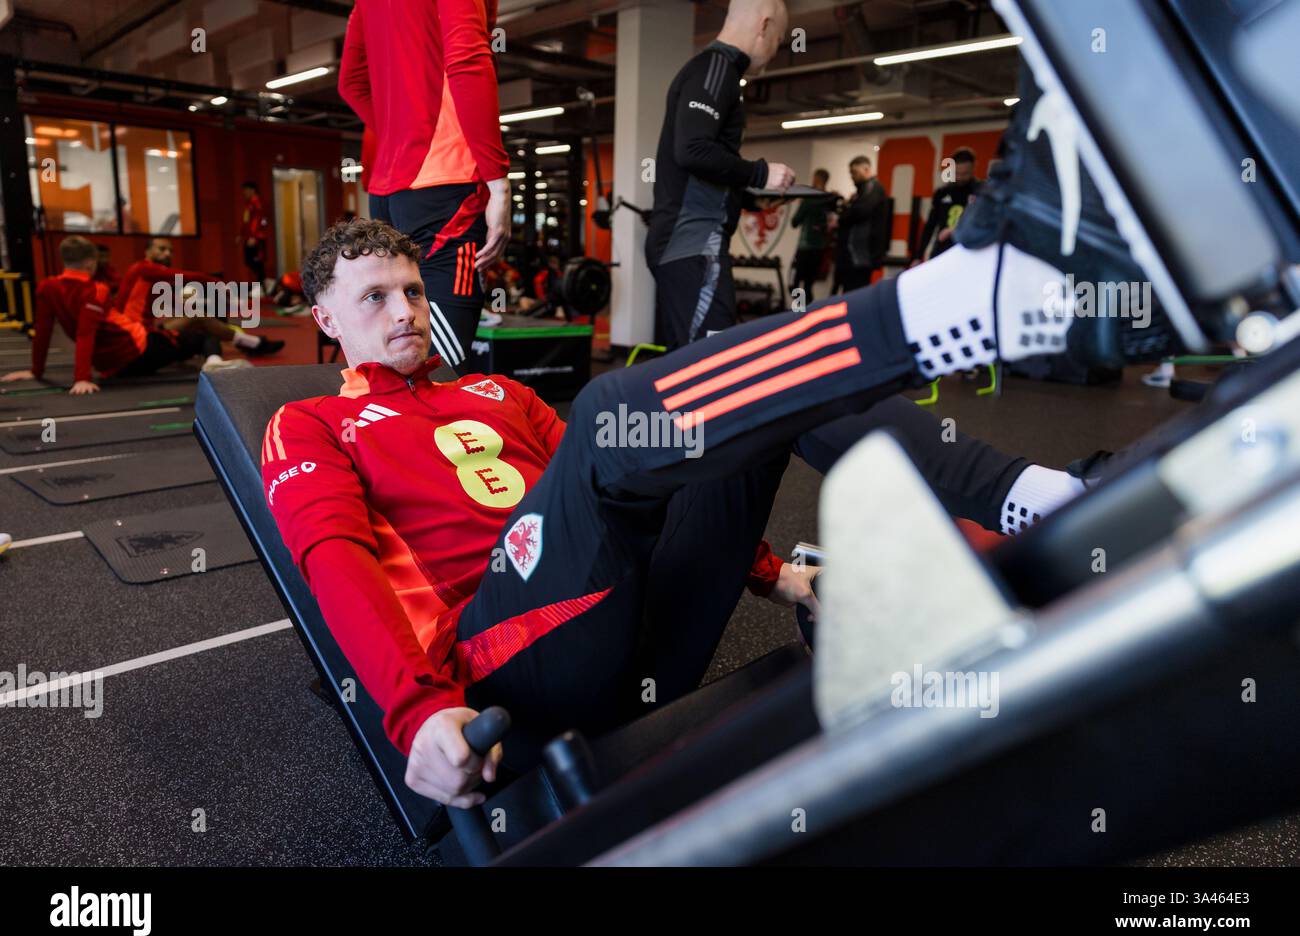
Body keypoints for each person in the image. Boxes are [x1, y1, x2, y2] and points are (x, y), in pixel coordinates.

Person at [262, 191, 1141, 804]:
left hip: (638, 628)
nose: (405, 311)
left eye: (412, 290)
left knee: (750, 409)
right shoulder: (310, 423)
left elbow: (649, 486)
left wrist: (772, 578)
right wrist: (417, 714)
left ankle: (1031, 494)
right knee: (613, 413)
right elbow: (334, 561)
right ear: (328, 320)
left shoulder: (497, 394)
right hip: (515, 668)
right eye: (373, 298)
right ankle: (924, 309)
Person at [339, 0, 511, 371]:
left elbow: (350, 82)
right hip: (445, 181)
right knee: (438, 364)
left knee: (395, 349)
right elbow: (467, 58)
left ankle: (376, 426)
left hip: (388, 189)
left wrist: (398, 134)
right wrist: (499, 181)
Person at [645, 0, 797, 350]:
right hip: (692, 241)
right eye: (779, 36)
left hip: (691, 240)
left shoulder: (719, 72)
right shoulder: (716, 68)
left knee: (688, 362)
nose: (776, 48)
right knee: (714, 362)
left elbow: (701, 167)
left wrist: (748, 197)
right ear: (764, 25)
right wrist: (759, 173)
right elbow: (692, 150)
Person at [1, 237, 247, 396]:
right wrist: (82, 378)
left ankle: (242, 346)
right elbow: (85, 333)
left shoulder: (46, 287)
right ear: (90, 263)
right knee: (200, 331)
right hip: (138, 347)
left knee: (193, 326)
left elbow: (43, 330)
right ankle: (232, 352)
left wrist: (36, 370)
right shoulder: (97, 288)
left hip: (115, 361)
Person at [117, 237, 283, 355]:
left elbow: (172, 304)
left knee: (198, 317)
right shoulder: (145, 269)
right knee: (199, 319)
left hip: (141, 331)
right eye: (162, 249)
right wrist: (217, 283)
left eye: (170, 251)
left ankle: (243, 344)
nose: (167, 254)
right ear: (147, 251)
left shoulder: (150, 275)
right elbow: (191, 277)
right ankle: (250, 343)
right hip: (135, 336)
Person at [912, 147, 982, 264]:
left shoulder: (982, 192)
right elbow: (930, 225)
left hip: (969, 251)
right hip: (943, 250)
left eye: (965, 174)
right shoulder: (942, 192)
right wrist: (918, 256)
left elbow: (986, 224)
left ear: (974, 167)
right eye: (957, 173)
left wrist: (955, 230)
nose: (960, 177)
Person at [833, 155, 889, 293]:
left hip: (860, 257)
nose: (852, 177)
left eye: (855, 173)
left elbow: (861, 211)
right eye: (851, 173)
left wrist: (843, 216)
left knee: (855, 296)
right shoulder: (862, 191)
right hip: (852, 257)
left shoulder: (873, 188)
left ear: (866, 169)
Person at [790, 168, 834, 302]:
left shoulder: (809, 199)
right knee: (809, 283)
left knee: (798, 282)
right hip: (820, 247)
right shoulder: (829, 199)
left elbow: (795, 221)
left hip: (806, 246)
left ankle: (798, 314)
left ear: (817, 179)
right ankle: (807, 316)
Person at [238, 181, 269, 290]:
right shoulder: (249, 204)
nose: (244, 193)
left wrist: (254, 237)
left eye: (245, 190)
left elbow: (259, 220)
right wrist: (241, 235)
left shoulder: (257, 203)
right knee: (250, 261)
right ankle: (263, 284)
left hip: (256, 238)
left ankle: (262, 284)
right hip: (249, 237)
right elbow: (246, 221)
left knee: (256, 261)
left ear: (252, 190)